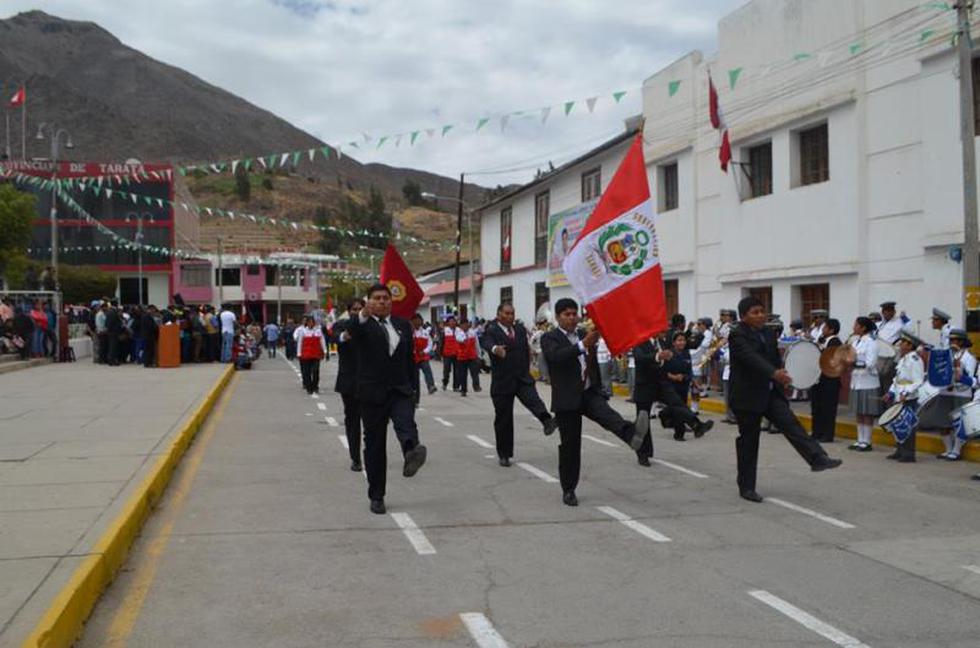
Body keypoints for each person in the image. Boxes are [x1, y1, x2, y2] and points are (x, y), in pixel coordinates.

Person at [728, 296, 842, 503]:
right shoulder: (737, 335)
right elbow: (750, 358)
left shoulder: (768, 333)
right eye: (755, 312)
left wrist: (784, 376)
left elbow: (775, 360)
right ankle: (746, 487)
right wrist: (773, 373)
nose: (760, 315)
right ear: (743, 316)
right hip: (746, 397)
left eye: (762, 311)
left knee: (791, 424)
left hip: (770, 392)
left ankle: (817, 458)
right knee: (749, 442)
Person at [541, 298, 651, 506]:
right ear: (557, 317)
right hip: (567, 399)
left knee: (609, 416)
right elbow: (557, 357)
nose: (572, 318)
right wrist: (583, 345)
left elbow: (592, 360)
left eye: (574, 314)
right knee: (570, 446)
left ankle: (632, 436)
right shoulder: (550, 338)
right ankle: (569, 489)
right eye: (567, 314)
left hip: (588, 392)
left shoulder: (584, 334)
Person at [346, 284, 427, 514]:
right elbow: (352, 328)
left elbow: (410, 360)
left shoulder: (402, 325)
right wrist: (362, 314)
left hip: (400, 389)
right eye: (376, 298)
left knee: (406, 424)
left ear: (391, 301)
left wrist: (414, 390)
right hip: (372, 393)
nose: (381, 302)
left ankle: (411, 452)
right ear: (368, 301)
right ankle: (377, 495)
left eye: (385, 298)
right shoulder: (362, 325)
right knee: (374, 445)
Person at [480, 303, 558, 466]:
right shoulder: (492, 330)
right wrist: (495, 349)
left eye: (512, 313)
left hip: (522, 377)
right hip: (503, 381)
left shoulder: (520, 329)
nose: (510, 316)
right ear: (499, 314)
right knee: (504, 419)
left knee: (534, 400)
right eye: (507, 313)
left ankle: (546, 421)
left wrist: (528, 368)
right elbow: (485, 342)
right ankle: (504, 454)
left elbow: (525, 349)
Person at [881, 330, 926, 463]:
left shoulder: (915, 359)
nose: (900, 346)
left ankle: (909, 453)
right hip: (898, 396)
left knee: (908, 426)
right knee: (898, 424)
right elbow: (897, 379)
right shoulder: (903, 359)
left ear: (910, 345)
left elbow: (918, 381)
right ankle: (900, 450)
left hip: (908, 398)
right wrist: (890, 392)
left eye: (903, 344)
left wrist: (905, 393)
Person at [334, 299, 364, 472]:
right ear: (349, 311)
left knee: (371, 423)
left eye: (361, 309)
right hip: (349, 382)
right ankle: (355, 458)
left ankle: (370, 455)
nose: (357, 311)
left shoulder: (372, 327)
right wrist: (346, 335)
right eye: (354, 309)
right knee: (353, 421)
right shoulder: (342, 325)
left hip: (369, 382)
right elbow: (336, 337)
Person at [940, 328, 977, 461]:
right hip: (946, 392)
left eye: (955, 340)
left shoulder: (969, 358)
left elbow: (972, 380)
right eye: (951, 340)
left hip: (961, 393)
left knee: (960, 424)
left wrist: (958, 377)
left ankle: (956, 451)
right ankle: (948, 449)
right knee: (943, 422)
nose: (952, 342)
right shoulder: (946, 355)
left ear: (962, 342)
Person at [848, 316, 881, 452]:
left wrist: (854, 363)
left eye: (856, 325)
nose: (853, 327)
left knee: (867, 412)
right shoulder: (855, 343)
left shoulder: (871, 343)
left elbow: (870, 363)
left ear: (863, 328)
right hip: (856, 381)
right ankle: (859, 439)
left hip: (868, 381)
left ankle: (867, 441)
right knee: (859, 412)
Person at [809, 318, 843, 442]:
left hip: (829, 381)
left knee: (828, 408)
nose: (822, 330)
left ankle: (828, 434)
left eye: (825, 328)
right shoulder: (821, 340)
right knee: (817, 408)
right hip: (818, 380)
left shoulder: (836, 343)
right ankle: (816, 432)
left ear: (831, 330)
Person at [294, 315, 327, 394]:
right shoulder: (303, 331)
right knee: (307, 372)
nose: (310, 323)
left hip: (316, 354)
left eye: (312, 322)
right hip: (306, 354)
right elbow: (300, 343)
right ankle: (309, 387)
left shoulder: (318, 331)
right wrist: (299, 353)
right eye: (309, 322)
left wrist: (325, 350)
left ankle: (315, 386)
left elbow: (322, 340)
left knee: (316, 371)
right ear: (307, 323)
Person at [411, 313, 437, 404]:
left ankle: (431, 386)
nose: (418, 322)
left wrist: (425, 351)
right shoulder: (410, 332)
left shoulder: (425, 332)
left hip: (423, 356)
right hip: (413, 358)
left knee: (427, 370)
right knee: (415, 379)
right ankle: (415, 399)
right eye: (416, 320)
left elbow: (430, 344)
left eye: (419, 320)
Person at [689, 318, 713, 415]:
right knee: (691, 387)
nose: (698, 326)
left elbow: (702, 347)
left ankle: (695, 408)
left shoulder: (707, 334)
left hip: (697, 362)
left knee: (695, 387)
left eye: (700, 324)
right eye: (697, 324)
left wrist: (690, 352)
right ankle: (693, 407)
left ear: (705, 325)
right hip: (691, 363)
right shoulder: (698, 333)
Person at [454, 319, 481, 395]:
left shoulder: (472, 332)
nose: (465, 326)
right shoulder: (458, 332)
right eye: (463, 324)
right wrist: (464, 339)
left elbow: (477, 344)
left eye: (466, 324)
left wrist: (479, 355)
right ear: (461, 326)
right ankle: (463, 390)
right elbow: (458, 339)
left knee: (474, 372)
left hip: (472, 356)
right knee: (462, 374)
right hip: (462, 356)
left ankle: (476, 386)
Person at [441, 315, 459, 390]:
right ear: (448, 323)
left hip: (457, 353)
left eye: (454, 321)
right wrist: (441, 352)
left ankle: (456, 386)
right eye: (451, 321)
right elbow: (442, 342)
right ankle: (445, 382)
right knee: (446, 370)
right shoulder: (445, 331)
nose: (452, 323)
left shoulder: (459, 330)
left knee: (457, 371)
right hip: (447, 353)